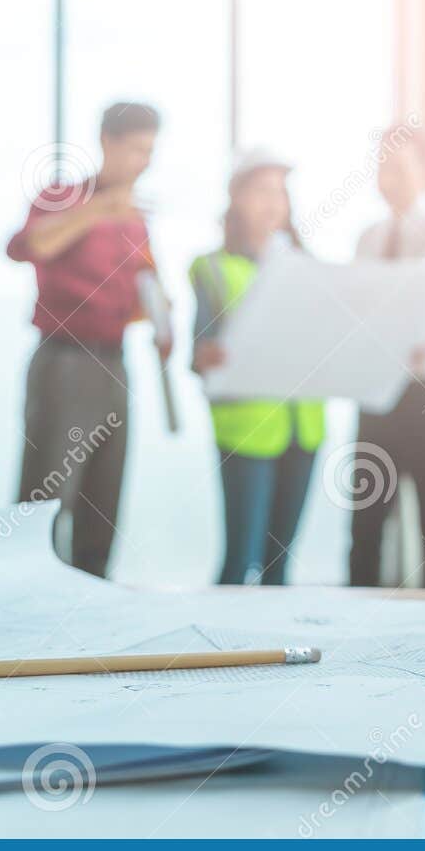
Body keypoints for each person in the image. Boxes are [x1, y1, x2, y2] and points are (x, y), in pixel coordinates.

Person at [7, 102, 170, 578]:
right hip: (65, 363)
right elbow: (30, 245)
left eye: (150, 151)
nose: (143, 162)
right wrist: (100, 209)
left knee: (103, 500)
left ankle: (93, 599)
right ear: (106, 142)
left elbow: (139, 288)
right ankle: (26, 597)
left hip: (114, 364)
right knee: (43, 503)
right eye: (136, 149)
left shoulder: (136, 221)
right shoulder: (63, 197)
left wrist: (161, 315)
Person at [190, 150, 325, 585]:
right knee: (240, 560)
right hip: (246, 429)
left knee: (278, 567)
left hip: (303, 426)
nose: (273, 202)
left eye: (280, 193)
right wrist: (207, 356)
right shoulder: (212, 267)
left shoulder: (308, 267)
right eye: (262, 191)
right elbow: (198, 353)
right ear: (237, 199)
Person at [348, 125, 425, 589]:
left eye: (398, 167)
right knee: (365, 523)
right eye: (381, 167)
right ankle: (355, 621)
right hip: (378, 391)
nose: (387, 178)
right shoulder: (369, 237)